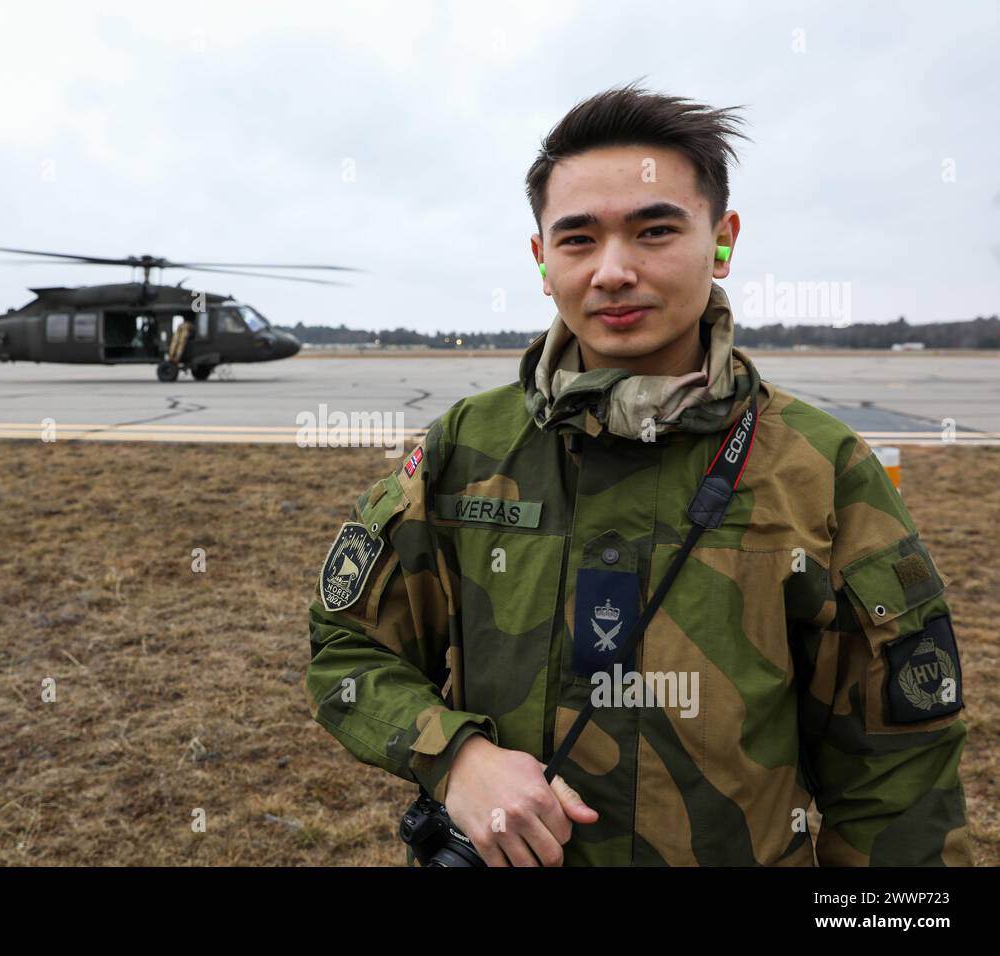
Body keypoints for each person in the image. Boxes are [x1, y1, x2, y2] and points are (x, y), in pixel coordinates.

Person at [304, 83, 972, 867]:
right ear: (540, 260)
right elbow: (347, 650)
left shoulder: (820, 468)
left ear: (722, 241)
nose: (614, 271)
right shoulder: (466, 447)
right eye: (578, 239)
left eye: (655, 230)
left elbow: (898, 771)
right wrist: (456, 758)